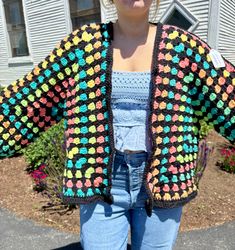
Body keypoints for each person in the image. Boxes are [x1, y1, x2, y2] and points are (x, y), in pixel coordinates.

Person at [0, 0, 234, 249]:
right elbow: (28, 100)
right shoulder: (83, 45)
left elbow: (228, 97)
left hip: (165, 178)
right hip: (100, 180)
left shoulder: (185, 48)